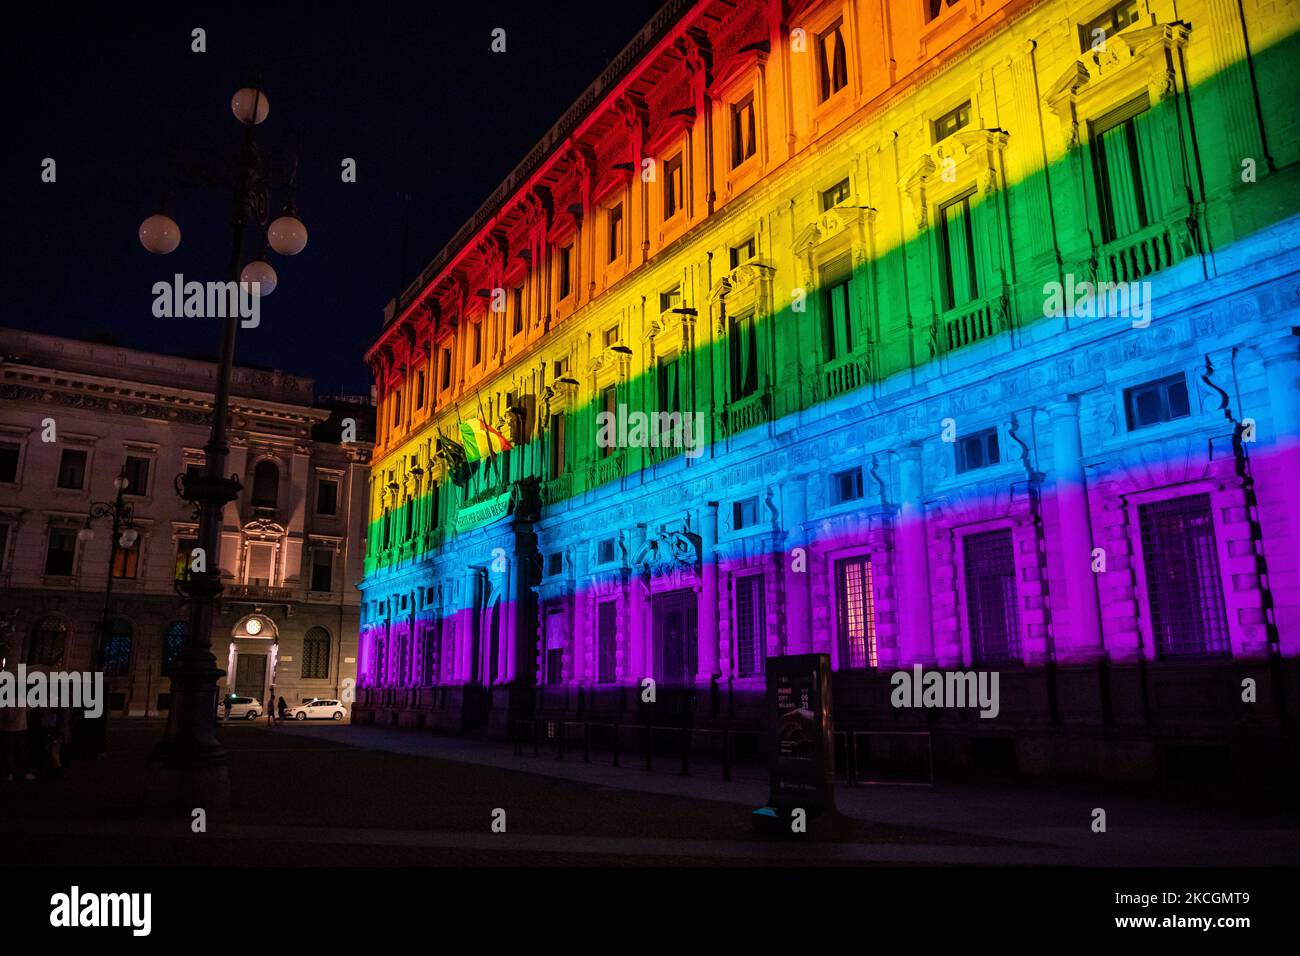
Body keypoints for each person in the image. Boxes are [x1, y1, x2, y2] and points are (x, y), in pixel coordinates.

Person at [1, 697, 34, 782]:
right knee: (24, 751)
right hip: (21, 728)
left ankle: (10, 773)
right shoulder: (23, 700)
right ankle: (27, 772)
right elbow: (29, 710)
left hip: (8, 729)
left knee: (9, 752)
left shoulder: (4, 701)